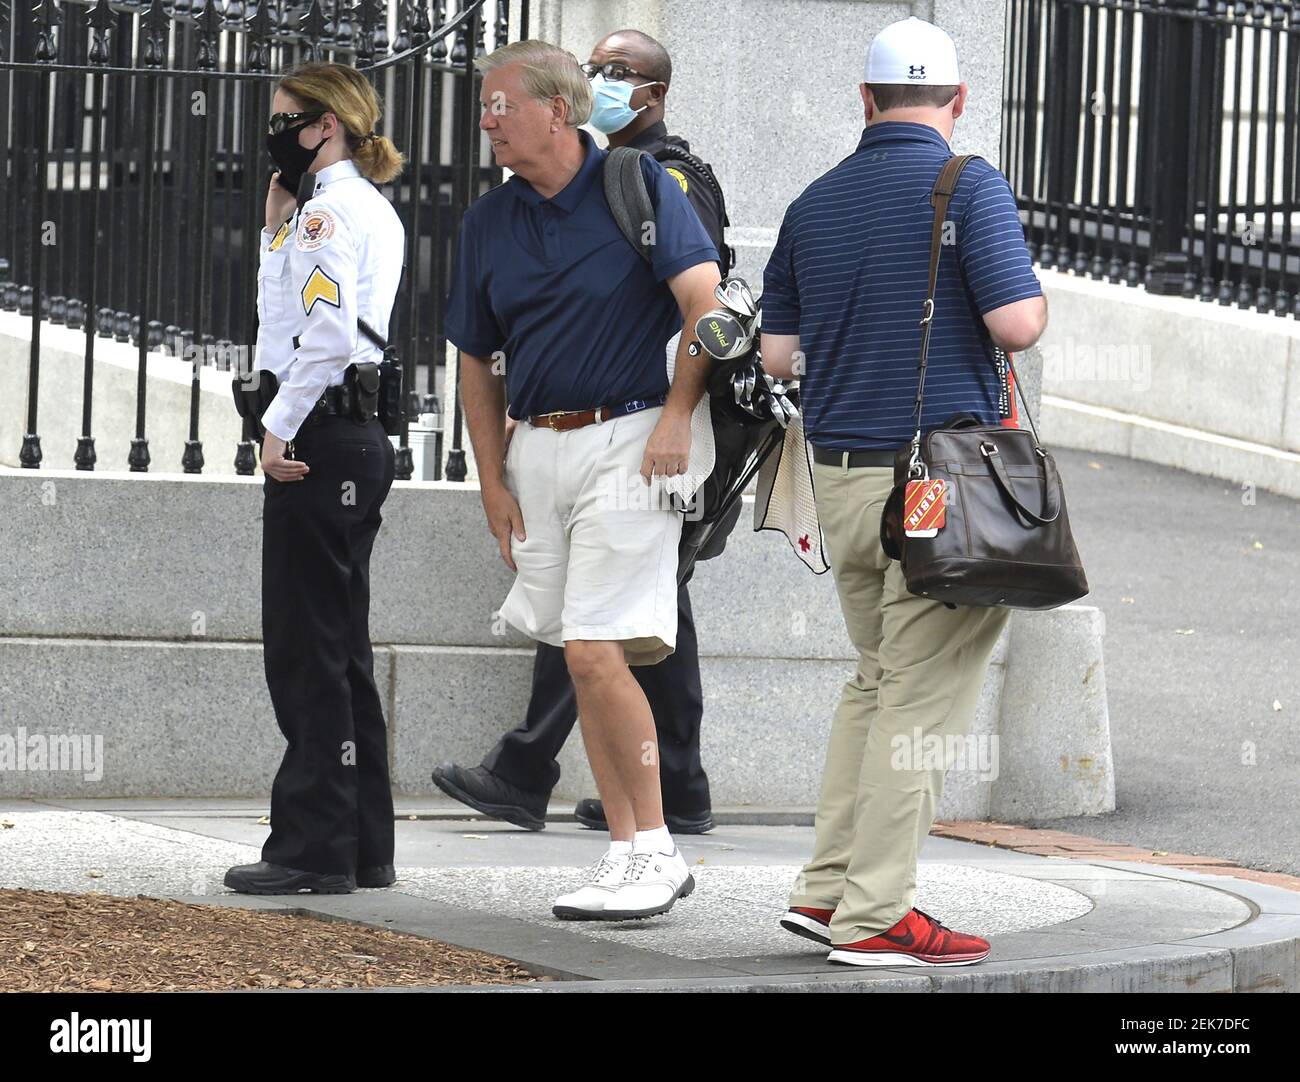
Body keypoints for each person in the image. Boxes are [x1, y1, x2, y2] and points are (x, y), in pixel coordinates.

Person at [760, 17, 1048, 965]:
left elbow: (777, 355)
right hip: (938, 488)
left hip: (840, 481)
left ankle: (827, 891)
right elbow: (1016, 324)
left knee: (876, 682)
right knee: (920, 705)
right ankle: (877, 915)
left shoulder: (814, 201)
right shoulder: (971, 186)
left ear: (865, 99)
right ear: (958, 103)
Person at [431, 28, 732, 837]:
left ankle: (647, 836)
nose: (487, 123)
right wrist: (492, 480)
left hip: (634, 442)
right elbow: (477, 359)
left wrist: (674, 417)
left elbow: (707, 306)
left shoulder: (655, 181)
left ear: (557, 112)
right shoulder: (490, 220)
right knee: (596, 648)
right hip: (543, 450)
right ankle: (664, 791)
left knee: (601, 646)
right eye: (483, 109)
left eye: (502, 108)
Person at [224, 62, 406, 895]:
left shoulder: (331, 211)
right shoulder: (352, 207)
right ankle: (363, 844)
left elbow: (324, 337)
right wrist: (273, 234)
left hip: (321, 440)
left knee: (306, 649)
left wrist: (275, 425)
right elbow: (298, 314)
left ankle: (311, 847)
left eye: (284, 119)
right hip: (353, 438)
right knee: (342, 648)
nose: (274, 133)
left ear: (324, 124)